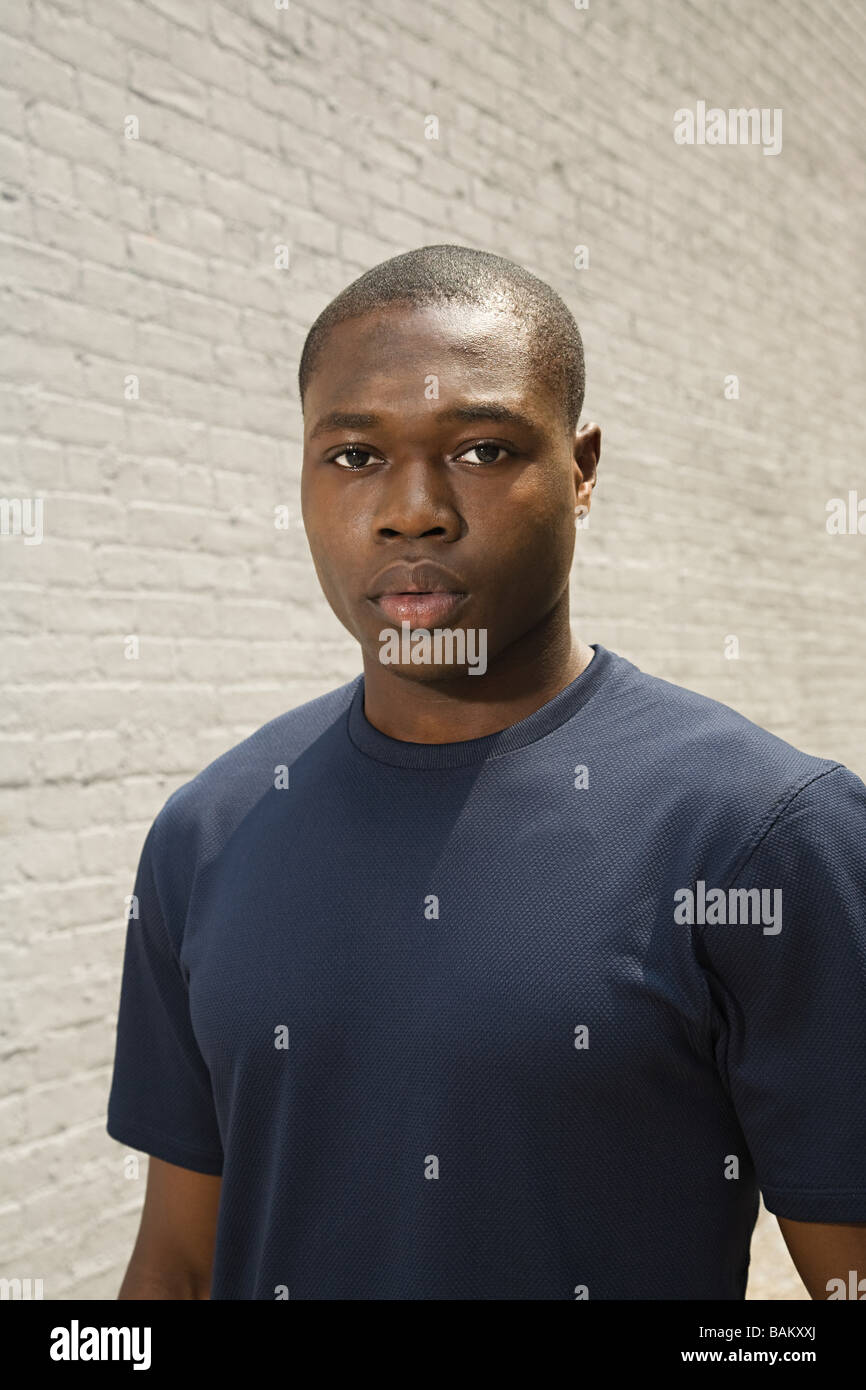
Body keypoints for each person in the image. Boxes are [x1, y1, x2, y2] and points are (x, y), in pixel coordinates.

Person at [107, 244, 866, 1300]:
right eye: (354, 456)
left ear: (581, 468)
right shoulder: (207, 832)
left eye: (479, 447)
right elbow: (177, 1268)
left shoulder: (762, 830)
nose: (411, 509)